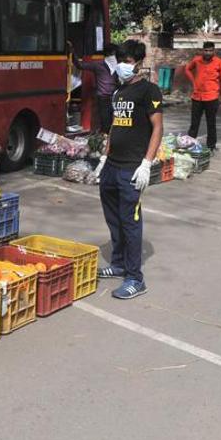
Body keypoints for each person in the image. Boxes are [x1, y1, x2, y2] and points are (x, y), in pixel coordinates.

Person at [93, 40, 163, 299]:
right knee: (113, 218)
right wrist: (103, 157)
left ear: (140, 63)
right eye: (121, 60)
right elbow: (114, 127)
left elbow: (157, 127)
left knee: (130, 222)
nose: (124, 65)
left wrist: (146, 163)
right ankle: (119, 263)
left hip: (132, 169)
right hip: (112, 166)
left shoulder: (149, 91)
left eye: (130, 61)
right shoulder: (117, 93)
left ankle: (135, 277)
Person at [184, 41, 221, 151]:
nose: (208, 53)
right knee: (194, 123)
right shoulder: (197, 60)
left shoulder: (220, 62)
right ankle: (189, 144)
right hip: (197, 97)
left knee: (211, 123)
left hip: (211, 97)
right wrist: (193, 82)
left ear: (214, 51)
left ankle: (211, 146)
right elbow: (187, 69)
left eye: (210, 50)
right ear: (202, 50)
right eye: (206, 50)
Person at [71, 41, 119, 134]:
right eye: (114, 53)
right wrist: (72, 54)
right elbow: (80, 65)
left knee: (115, 122)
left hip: (116, 97)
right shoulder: (98, 64)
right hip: (103, 98)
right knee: (105, 122)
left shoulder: (118, 66)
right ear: (110, 54)